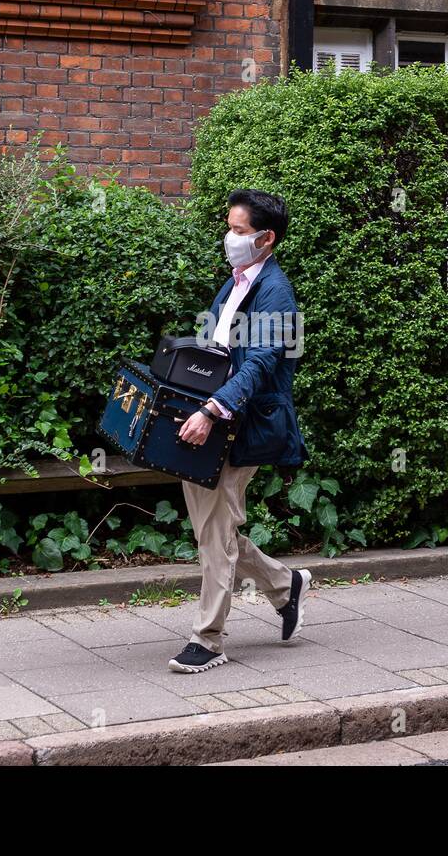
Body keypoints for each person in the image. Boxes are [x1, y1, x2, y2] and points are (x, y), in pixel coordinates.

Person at [167, 189, 311, 673]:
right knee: (215, 533)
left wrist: (213, 408)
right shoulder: (234, 284)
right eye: (229, 228)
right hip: (208, 423)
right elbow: (216, 354)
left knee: (215, 533)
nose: (230, 238)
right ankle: (283, 584)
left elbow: (263, 359)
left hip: (238, 427)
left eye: (240, 231)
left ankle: (207, 640)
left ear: (266, 239)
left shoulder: (275, 292)